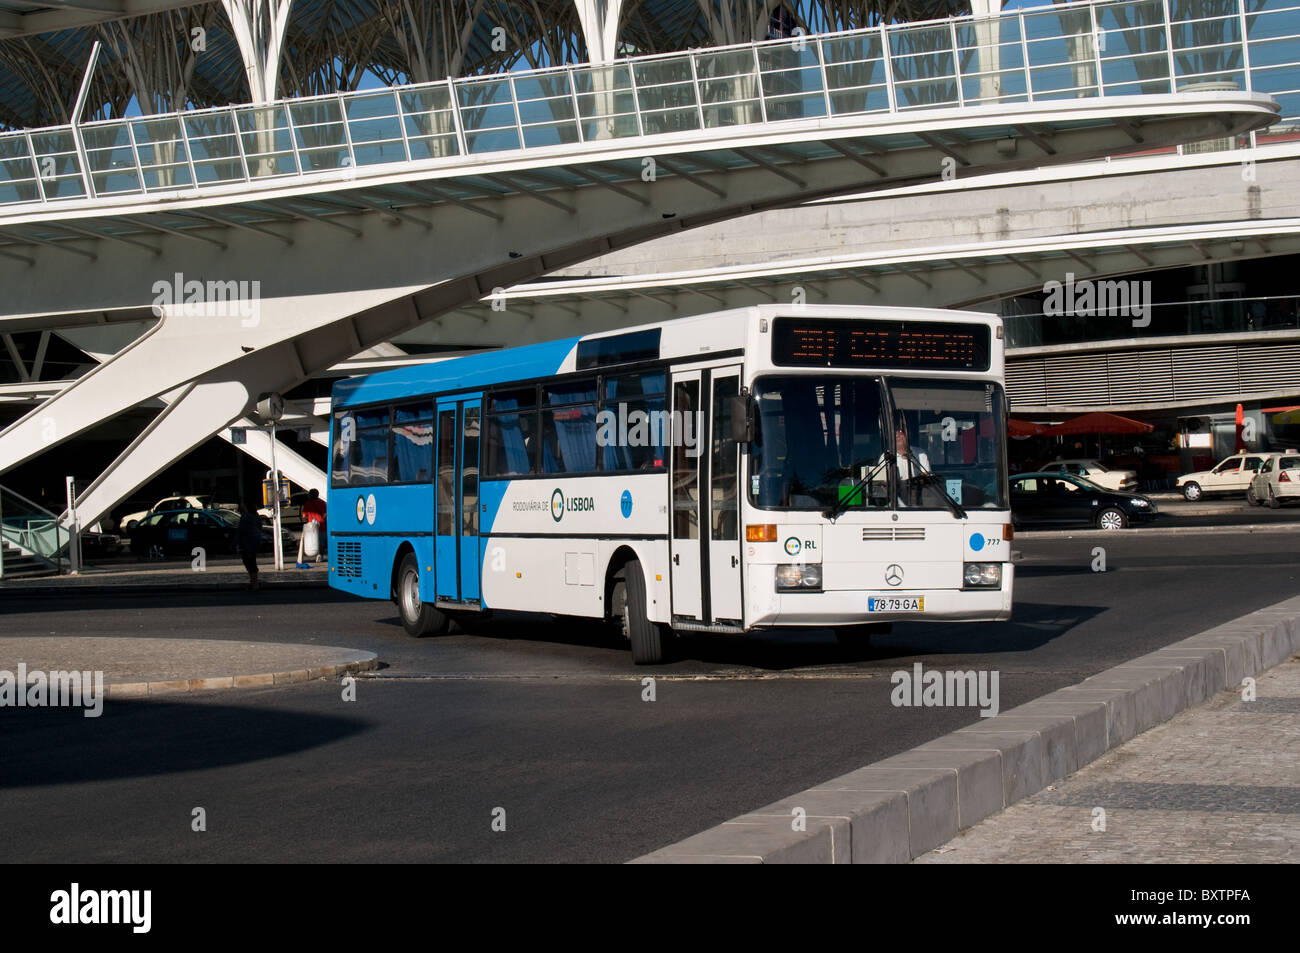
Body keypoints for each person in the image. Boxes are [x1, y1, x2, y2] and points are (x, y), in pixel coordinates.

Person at [237, 500, 262, 591]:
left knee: (249, 563)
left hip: (247, 543)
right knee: (252, 561)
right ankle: (253, 583)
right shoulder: (256, 515)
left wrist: (235, 543)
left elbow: (240, 531)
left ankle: (254, 583)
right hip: (255, 542)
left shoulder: (245, 516)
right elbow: (260, 527)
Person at [298, 488, 327, 566]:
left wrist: (308, 519)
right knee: (321, 542)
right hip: (321, 525)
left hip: (312, 527)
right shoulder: (322, 503)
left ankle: (312, 554)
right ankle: (320, 555)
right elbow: (325, 514)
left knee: (312, 541)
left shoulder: (308, 504)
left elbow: (304, 516)